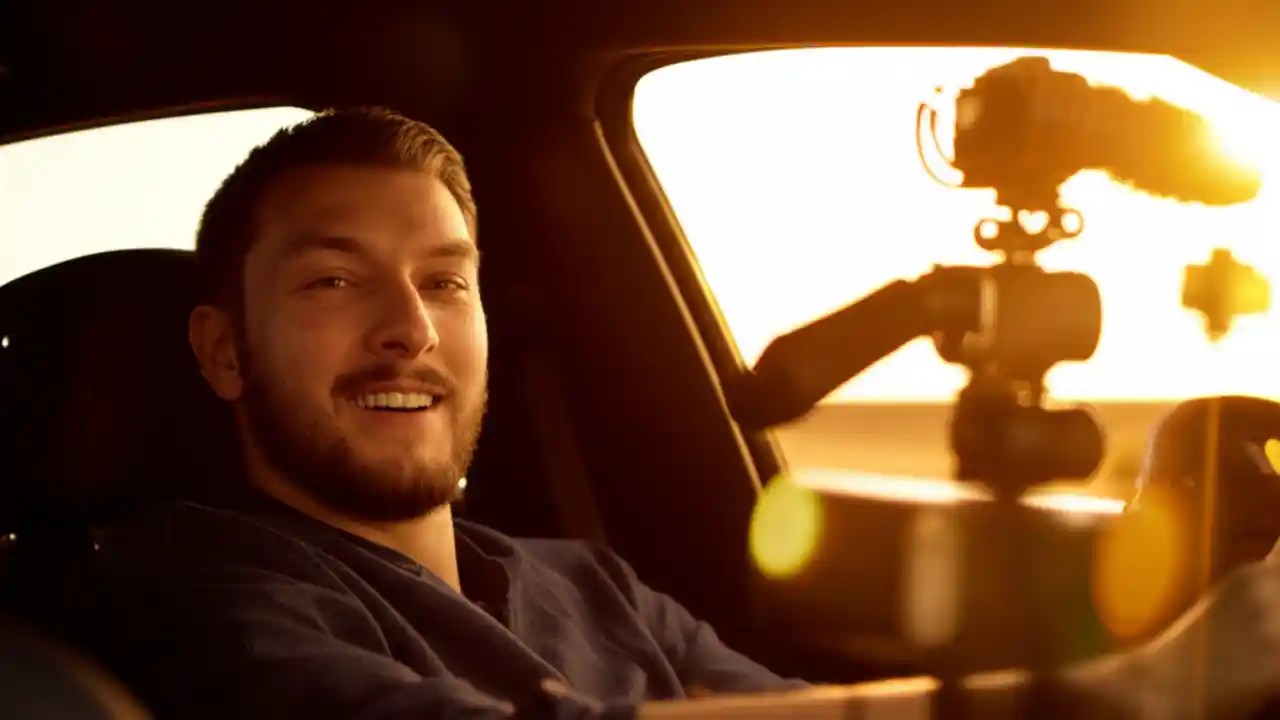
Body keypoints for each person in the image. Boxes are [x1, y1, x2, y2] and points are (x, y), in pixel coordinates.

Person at [90, 107, 1280, 720]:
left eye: (445, 281)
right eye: (335, 280)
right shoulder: (190, 594)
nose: (409, 328)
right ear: (223, 350)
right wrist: (1130, 692)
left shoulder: (588, 588)